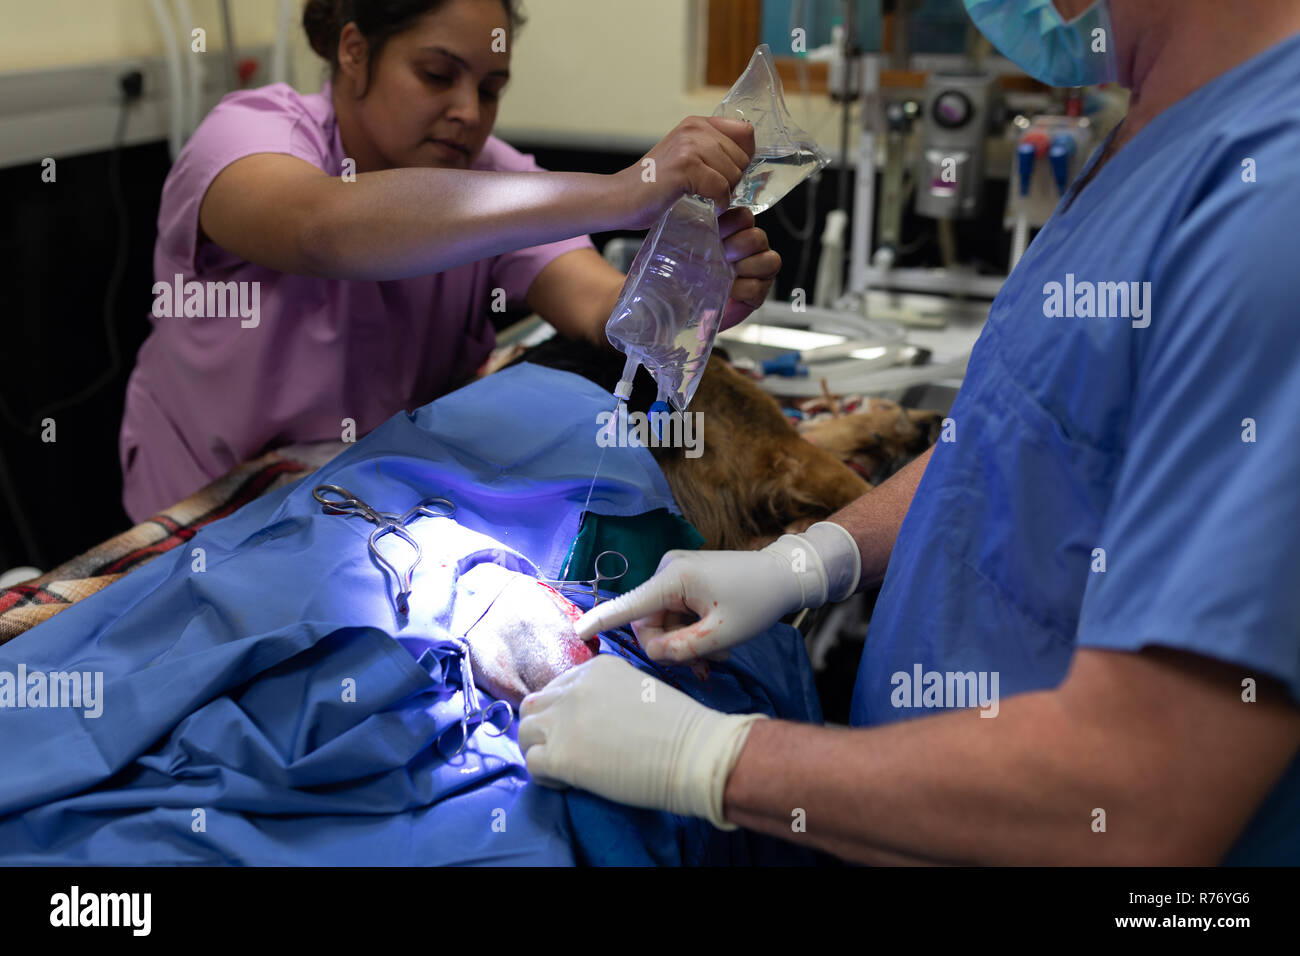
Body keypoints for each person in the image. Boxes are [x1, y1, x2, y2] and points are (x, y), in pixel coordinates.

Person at [518, 0, 1300, 865]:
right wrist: (812, 558)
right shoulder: (1151, 130)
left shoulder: (1270, 202)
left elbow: (1141, 795)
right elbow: (1027, 440)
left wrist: (710, 761)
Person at [118, 0, 778, 522]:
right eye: (437, 75)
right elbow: (323, 226)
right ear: (355, 52)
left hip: (359, 512)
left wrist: (688, 299)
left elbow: (603, 306)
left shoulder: (494, 182)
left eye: (490, 89)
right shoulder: (246, 139)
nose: (468, 112)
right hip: (208, 514)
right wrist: (619, 193)